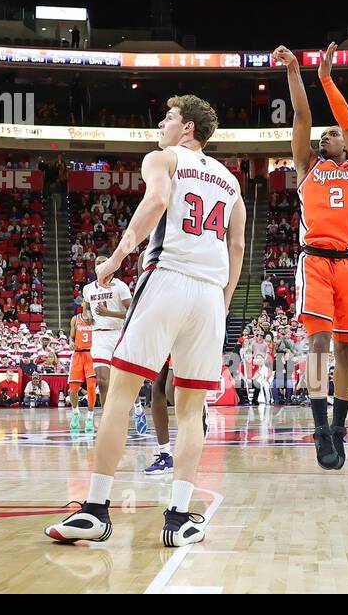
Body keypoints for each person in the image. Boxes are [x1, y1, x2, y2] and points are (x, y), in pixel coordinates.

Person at [46, 95, 245, 548]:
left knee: (119, 394)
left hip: (168, 278)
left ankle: (95, 511)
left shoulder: (163, 158)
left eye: (169, 117)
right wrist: (224, 300)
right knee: (192, 411)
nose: (161, 123)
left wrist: (116, 257)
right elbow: (237, 248)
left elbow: (156, 201)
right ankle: (179, 519)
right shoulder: (232, 182)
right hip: (211, 295)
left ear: (188, 129)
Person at [274, 43, 348, 470]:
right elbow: (301, 117)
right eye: (323, 134)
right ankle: (318, 426)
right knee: (317, 344)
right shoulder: (306, 166)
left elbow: (347, 122)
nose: (325, 136)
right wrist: (295, 71)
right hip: (314, 260)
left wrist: (327, 80)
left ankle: (339, 426)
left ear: (345, 145)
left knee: (347, 348)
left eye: (331, 134)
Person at [81, 259, 132, 414]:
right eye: (98, 262)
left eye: (104, 262)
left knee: (123, 380)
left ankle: (136, 407)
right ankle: (107, 415)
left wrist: (109, 313)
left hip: (118, 335)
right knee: (102, 380)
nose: (100, 264)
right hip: (98, 337)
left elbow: (133, 311)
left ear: (112, 267)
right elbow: (85, 307)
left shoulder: (120, 286)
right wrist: (86, 315)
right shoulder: (88, 288)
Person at [66, 302, 97, 431]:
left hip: (91, 354)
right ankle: (75, 413)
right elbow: (71, 337)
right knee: (73, 389)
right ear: (83, 304)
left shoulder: (96, 319)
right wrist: (71, 342)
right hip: (78, 355)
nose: (88, 304)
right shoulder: (75, 319)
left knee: (91, 387)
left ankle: (90, 416)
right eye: (86, 301)